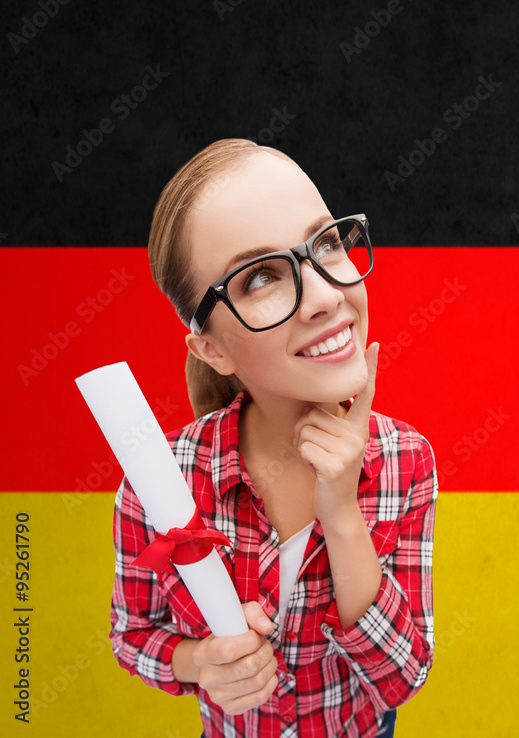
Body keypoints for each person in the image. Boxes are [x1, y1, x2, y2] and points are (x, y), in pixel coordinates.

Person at [109, 139, 436, 737]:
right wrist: (197, 663)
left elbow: (400, 678)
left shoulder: (404, 460)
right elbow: (132, 636)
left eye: (327, 243)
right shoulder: (162, 480)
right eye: (261, 277)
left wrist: (340, 513)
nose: (325, 295)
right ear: (211, 348)